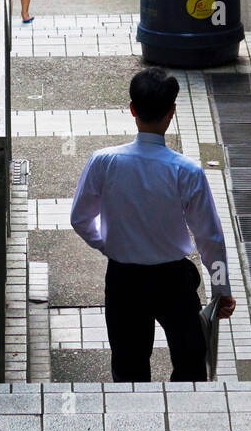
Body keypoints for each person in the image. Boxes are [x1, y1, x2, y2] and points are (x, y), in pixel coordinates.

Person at [70, 66, 235, 382]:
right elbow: (210, 237)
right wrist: (221, 290)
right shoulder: (186, 171)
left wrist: (108, 244)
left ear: (132, 109)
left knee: (129, 366)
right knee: (190, 363)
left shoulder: (104, 162)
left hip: (123, 280)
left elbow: (80, 218)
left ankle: (135, 427)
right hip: (173, 280)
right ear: (171, 113)